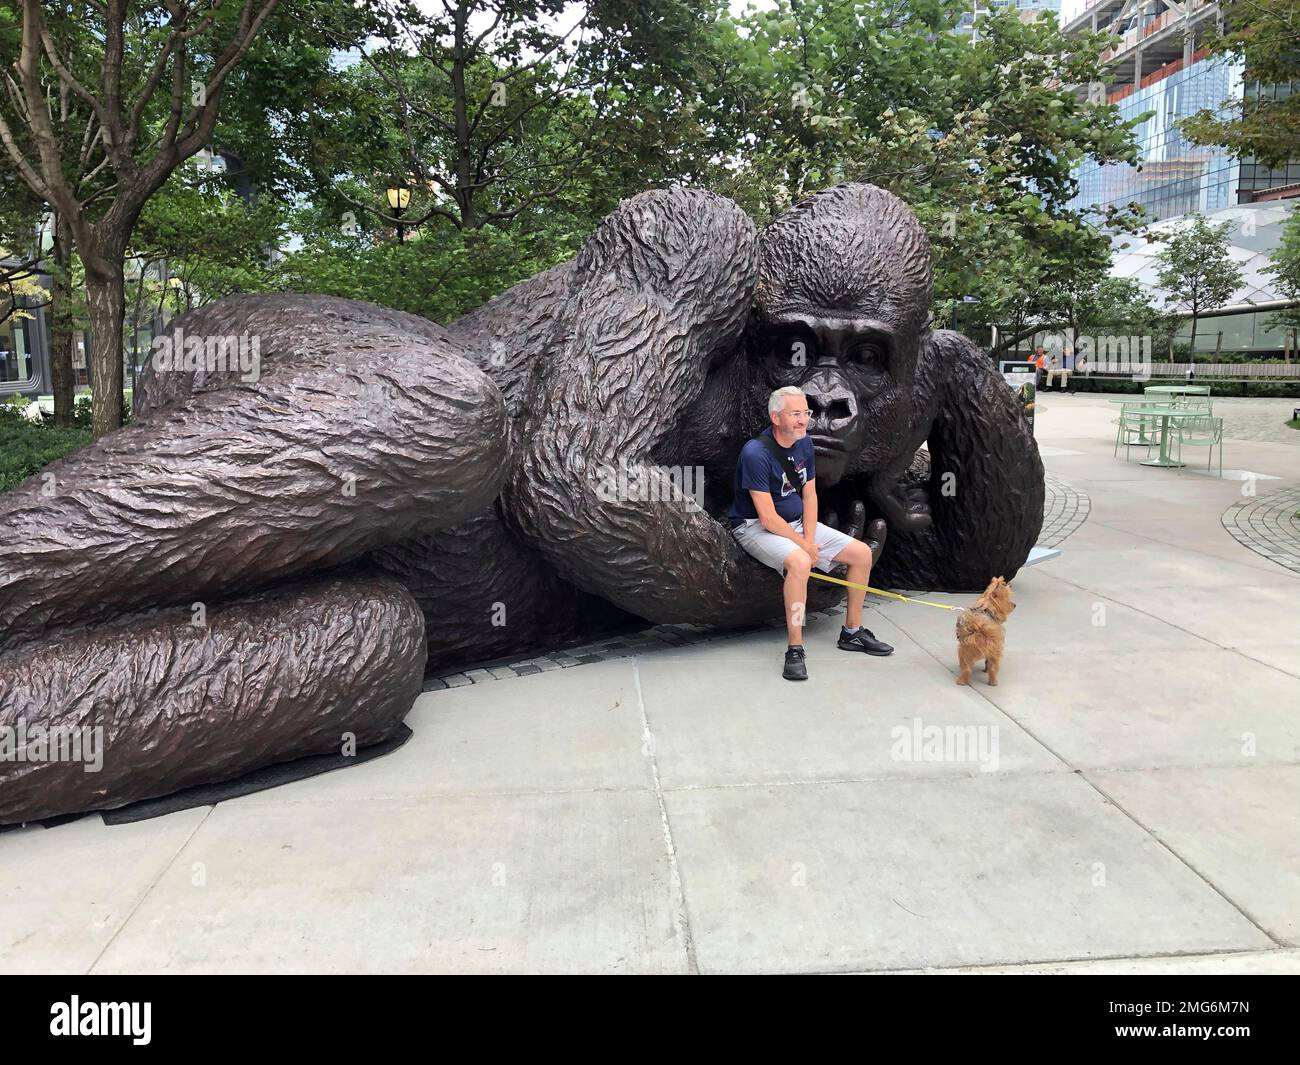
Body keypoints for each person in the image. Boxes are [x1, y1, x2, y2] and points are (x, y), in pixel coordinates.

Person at [729, 386, 893, 681]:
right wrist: (805, 546)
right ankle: (795, 647)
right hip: (755, 527)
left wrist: (809, 534)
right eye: (796, 414)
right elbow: (766, 517)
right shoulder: (755, 453)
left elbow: (810, 495)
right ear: (776, 417)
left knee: (861, 554)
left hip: (795, 525)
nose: (804, 420)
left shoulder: (804, 443)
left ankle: (852, 632)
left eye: (806, 412)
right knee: (801, 562)